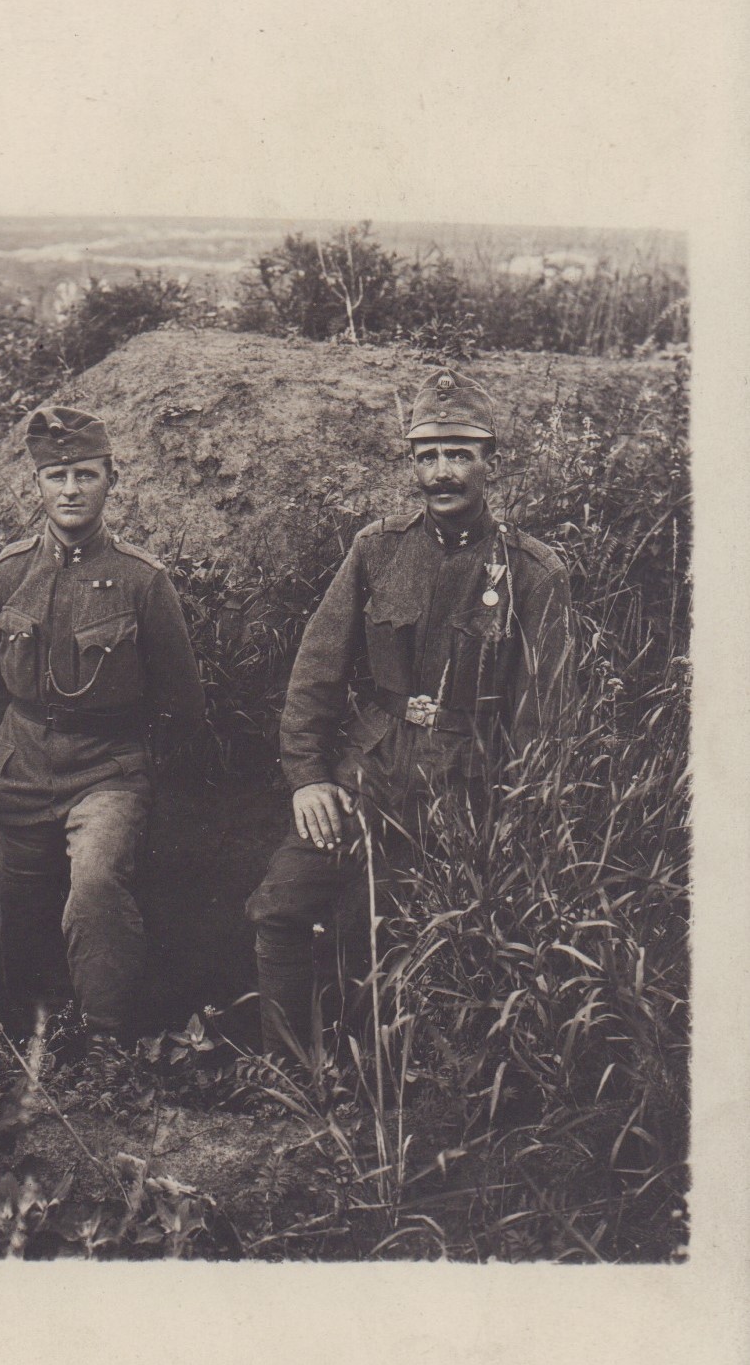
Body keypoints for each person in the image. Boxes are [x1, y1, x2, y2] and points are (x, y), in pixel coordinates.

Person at [246, 367, 576, 1055]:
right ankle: (287, 1077)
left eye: (458, 454)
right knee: (281, 906)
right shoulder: (377, 549)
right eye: (426, 456)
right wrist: (308, 776)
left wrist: (512, 816)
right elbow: (316, 672)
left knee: (392, 933)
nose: (442, 472)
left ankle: (388, 1091)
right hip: (366, 771)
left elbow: (543, 718)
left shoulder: (532, 572)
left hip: (461, 784)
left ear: (490, 460)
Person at [0, 404, 204, 1044]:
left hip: (108, 770)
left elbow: (181, 698)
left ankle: (105, 1046)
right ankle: (31, 1046)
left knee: (96, 887)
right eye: (57, 476)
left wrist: (126, 754)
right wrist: (28, 740)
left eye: (85, 475)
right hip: (21, 769)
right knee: (21, 916)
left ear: (111, 480)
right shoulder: (8, 573)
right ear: (37, 486)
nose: (71, 490)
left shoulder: (142, 579)